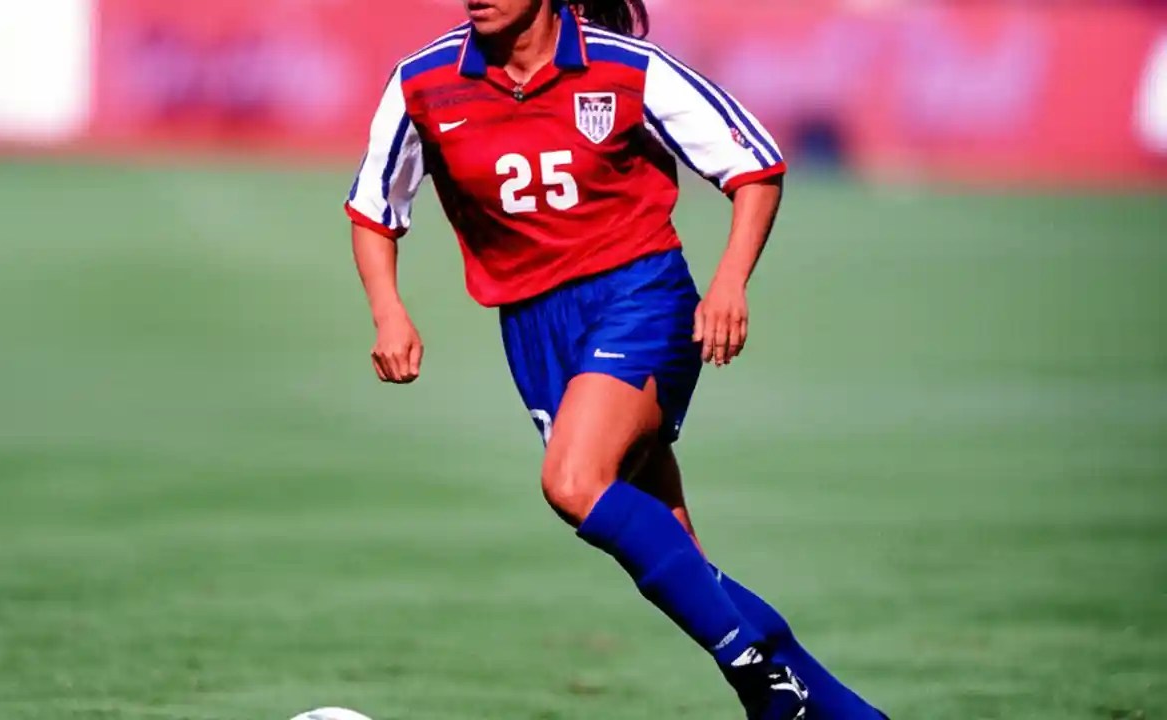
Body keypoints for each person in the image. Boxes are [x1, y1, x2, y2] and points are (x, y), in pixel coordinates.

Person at [345, 1, 889, 718]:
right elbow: (373, 210)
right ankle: (841, 712)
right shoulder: (424, 80)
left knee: (573, 481)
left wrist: (729, 283)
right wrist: (389, 310)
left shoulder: (625, 68)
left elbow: (754, 165)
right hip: (533, 327)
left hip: (641, 295)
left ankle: (759, 684)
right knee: (678, 557)